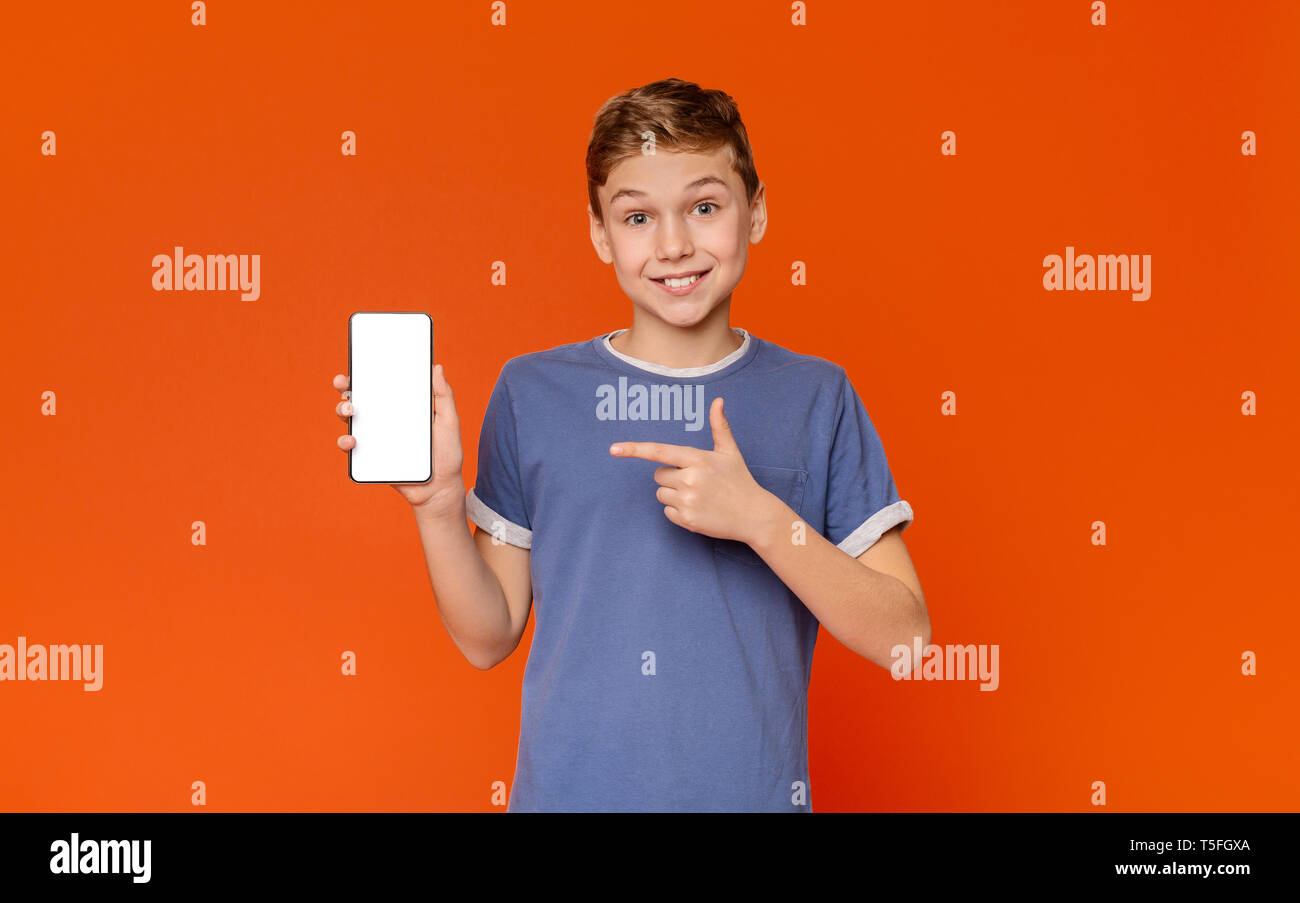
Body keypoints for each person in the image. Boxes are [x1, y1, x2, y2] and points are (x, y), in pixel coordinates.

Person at [331, 77, 929, 812]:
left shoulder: (818, 396)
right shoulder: (533, 393)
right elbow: (487, 638)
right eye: (638, 216)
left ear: (757, 211)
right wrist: (437, 505)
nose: (674, 244)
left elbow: (908, 639)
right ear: (599, 232)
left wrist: (764, 522)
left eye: (704, 207)